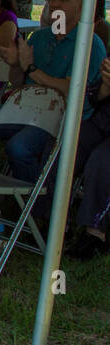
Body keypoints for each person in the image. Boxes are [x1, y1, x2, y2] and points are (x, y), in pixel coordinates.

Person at [0, 0, 107, 185]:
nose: (54, 4)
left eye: (64, 0)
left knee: (19, 148)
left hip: (60, 117)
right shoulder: (40, 37)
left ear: (81, 10)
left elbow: (72, 90)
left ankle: (34, 202)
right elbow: (18, 84)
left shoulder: (89, 44)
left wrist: (31, 69)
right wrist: (17, 64)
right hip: (26, 108)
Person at [62, 56, 110, 261]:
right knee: (69, 143)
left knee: (102, 161)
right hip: (103, 123)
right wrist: (106, 86)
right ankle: (52, 220)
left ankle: (96, 233)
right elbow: (95, 97)